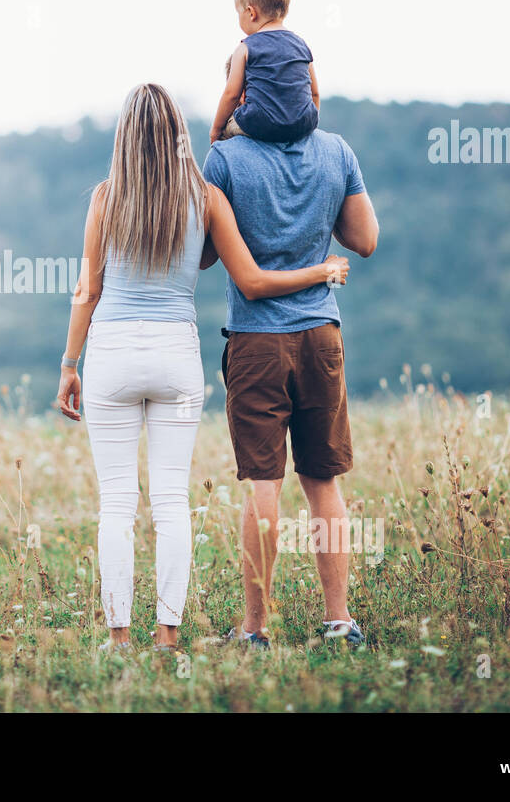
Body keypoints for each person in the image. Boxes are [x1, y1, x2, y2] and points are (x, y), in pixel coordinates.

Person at [56, 83, 349, 652]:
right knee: (171, 502)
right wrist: (320, 271)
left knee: (115, 504)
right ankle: (167, 636)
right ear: (177, 135)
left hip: (112, 351)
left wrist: (71, 363)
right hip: (175, 353)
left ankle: (119, 639)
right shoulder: (208, 198)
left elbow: (86, 290)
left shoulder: (104, 199)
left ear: (124, 139)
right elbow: (250, 278)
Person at [203, 114, 379, 649]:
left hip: (256, 342)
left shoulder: (225, 161)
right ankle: (340, 623)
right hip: (321, 336)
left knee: (263, 482)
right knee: (323, 482)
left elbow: (207, 257)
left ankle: (255, 630)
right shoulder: (336, 151)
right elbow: (365, 240)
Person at [209, 0, 320, 145]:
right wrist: (304, 125)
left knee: (226, 133)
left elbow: (231, 94)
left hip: (260, 123)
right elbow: (314, 93)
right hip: (303, 123)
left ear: (251, 12)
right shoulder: (301, 44)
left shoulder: (245, 47)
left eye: (239, 13)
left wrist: (216, 130)